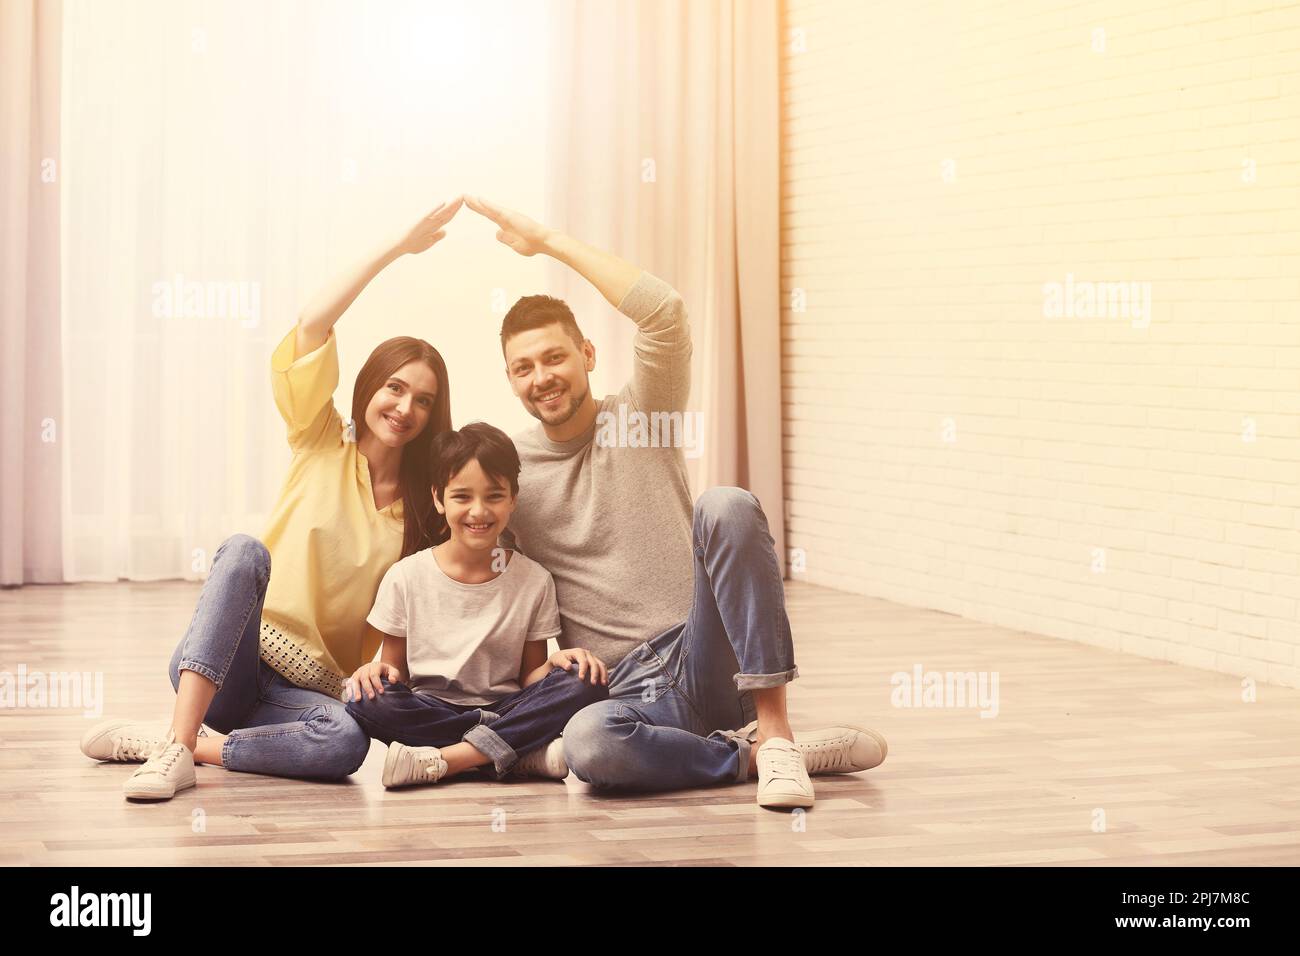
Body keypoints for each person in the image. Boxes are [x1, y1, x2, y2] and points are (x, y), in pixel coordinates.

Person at [463, 195, 888, 809]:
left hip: (705, 649)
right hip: (626, 689)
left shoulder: (643, 415)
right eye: (523, 368)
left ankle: (775, 735)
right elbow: (475, 560)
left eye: (554, 356)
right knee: (589, 745)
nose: (542, 377)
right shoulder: (510, 472)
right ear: (511, 380)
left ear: (587, 354)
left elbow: (664, 311)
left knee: (727, 503)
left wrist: (548, 240)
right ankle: (748, 757)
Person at [79, 198, 466, 800]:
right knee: (241, 550)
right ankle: (177, 749)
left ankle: (175, 744)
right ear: (369, 387)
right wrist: (396, 247)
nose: (405, 408)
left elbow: (418, 617)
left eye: (422, 400)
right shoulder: (319, 438)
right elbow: (313, 323)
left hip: (302, 693)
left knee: (345, 742)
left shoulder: (424, 514)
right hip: (224, 660)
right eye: (395, 387)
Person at [344, 422, 608, 788]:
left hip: (507, 706)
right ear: (439, 498)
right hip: (432, 708)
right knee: (365, 701)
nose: (479, 511)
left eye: (494, 496)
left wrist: (553, 664)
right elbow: (396, 672)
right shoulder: (406, 576)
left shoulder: (533, 580)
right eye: (462, 496)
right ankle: (511, 752)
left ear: (513, 498)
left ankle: (449, 759)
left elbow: (529, 677)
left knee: (585, 682)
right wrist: (372, 674)